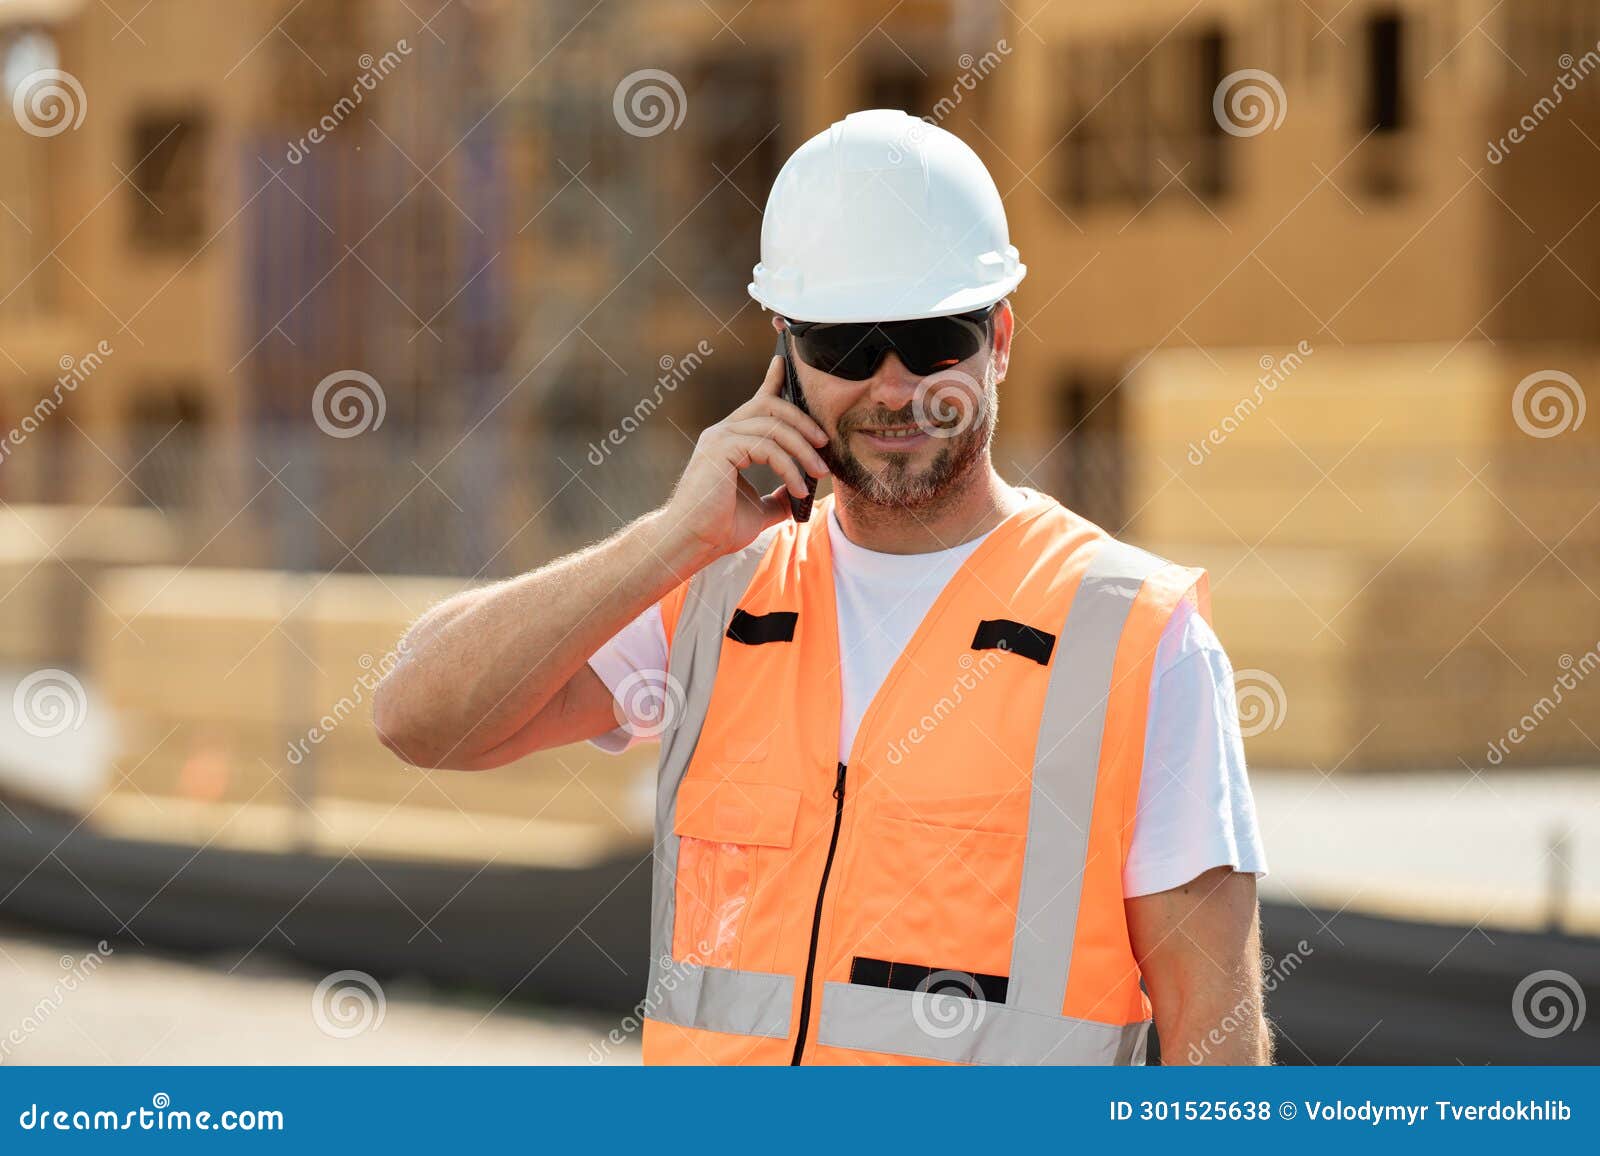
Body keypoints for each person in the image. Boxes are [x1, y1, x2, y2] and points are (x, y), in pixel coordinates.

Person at [374, 109, 1270, 1066]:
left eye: (932, 340)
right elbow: (417, 718)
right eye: (848, 345)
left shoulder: (1134, 636)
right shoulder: (708, 596)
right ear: (786, 351)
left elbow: (1211, 1035)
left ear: (997, 338)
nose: (893, 388)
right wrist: (672, 539)